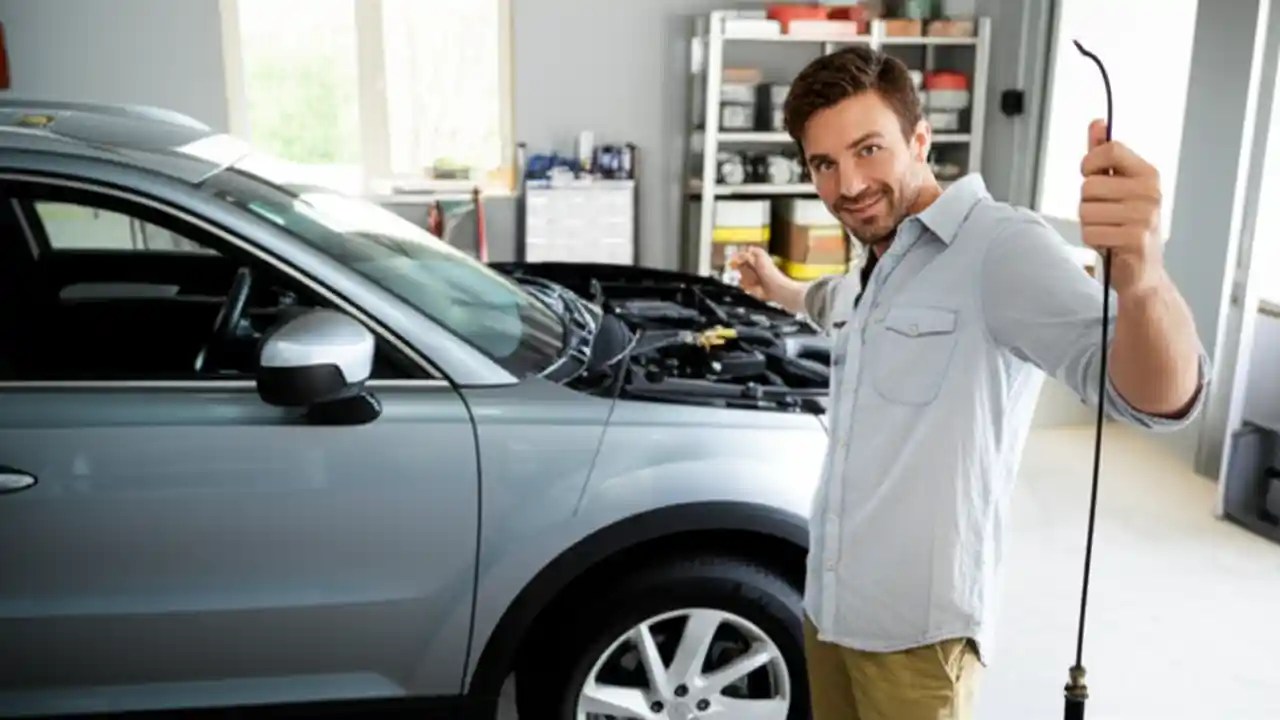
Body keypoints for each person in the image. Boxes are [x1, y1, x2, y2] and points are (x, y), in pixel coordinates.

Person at [730, 46, 1209, 720]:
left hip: (917, 643)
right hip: (828, 610)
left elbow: (1158, 399)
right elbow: (836, 304)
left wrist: (1145, 274)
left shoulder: (1001, 250)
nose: (849, 184)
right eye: (825, 164)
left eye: (869, 149)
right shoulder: (877, 259)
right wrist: (778, 289)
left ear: (920, 138)